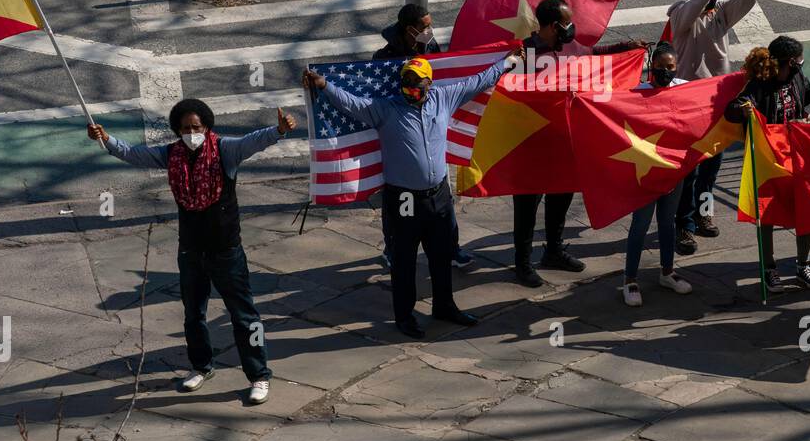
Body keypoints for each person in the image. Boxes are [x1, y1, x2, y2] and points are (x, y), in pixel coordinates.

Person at [304, 45, 521, 339]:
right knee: (404, 260)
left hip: (439, 195)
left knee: (441, 255)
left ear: (429, 84)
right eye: (406, 83)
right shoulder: (385, 109)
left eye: (416, 84)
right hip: (404, 199)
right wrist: (324, 85)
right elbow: (352, 104)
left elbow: (478, 81)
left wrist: (507, 63)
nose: (410, 89)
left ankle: (444, 306)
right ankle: (404, 316)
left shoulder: (444, 98)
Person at [87, 100, 296, 405]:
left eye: (196, 127)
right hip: (191, 251)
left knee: (244, 317)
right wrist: (106, 140)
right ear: (177, 131)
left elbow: (253, 142)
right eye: (185, 128)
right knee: (193, 315)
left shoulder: (225, 151)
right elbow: (134, 154)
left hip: (226, 250)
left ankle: (259, 375)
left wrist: (278, 130)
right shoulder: (171, 155)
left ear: (207, 126)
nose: (191, 132)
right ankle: (201, 367)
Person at [512, 0, 647, 288]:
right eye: (565, 22)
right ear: (550, 25)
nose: (571, 26)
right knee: (526, 206)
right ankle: (522, 264)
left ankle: (554, 251)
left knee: (561, 194)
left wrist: (626, 48)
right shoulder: (524, 52)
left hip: (564, 140)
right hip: (532, 143)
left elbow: (595, 55)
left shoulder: (570, 47)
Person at [669, 0, 758, 256]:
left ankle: (704, 214)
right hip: (688, 103)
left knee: (711, 167)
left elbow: (745, 3)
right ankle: (684, 225)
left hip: (717, 102)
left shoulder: (720, 14)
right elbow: (696, 5)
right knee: (689, 170)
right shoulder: (682, 14)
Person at [372, 4, 473, 273]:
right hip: (400, 138)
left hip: (430, 132)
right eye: (425, 26)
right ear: (410, 30)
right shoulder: (384, 58)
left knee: (444, 197)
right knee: (397, 206)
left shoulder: (431, 48)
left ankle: (451, 248)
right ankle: (392, 249)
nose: (430, 31)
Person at [726, 36, 810, 290]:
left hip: (796, 153)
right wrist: (743, 110)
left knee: (804, 207)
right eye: (799, 61)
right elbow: (731, 108)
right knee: (767, 211)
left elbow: (808, 97)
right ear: (790, 62)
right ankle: (769, 268)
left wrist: (806, 118)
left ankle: (804, 266)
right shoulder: (759, 85)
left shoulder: (797, 78)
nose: (801, 65)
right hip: (768, 157)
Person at [621, 43, 694, 306]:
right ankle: (630, 280)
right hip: (644, 171)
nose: (665, 72)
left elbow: (711, 99)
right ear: (651, 67)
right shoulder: (636, 93)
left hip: (673, 169)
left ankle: (667, 271)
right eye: (660, 67)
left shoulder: (685, 88)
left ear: (677, 67)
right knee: (640, 224)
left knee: (667, 222)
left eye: (670, 67)